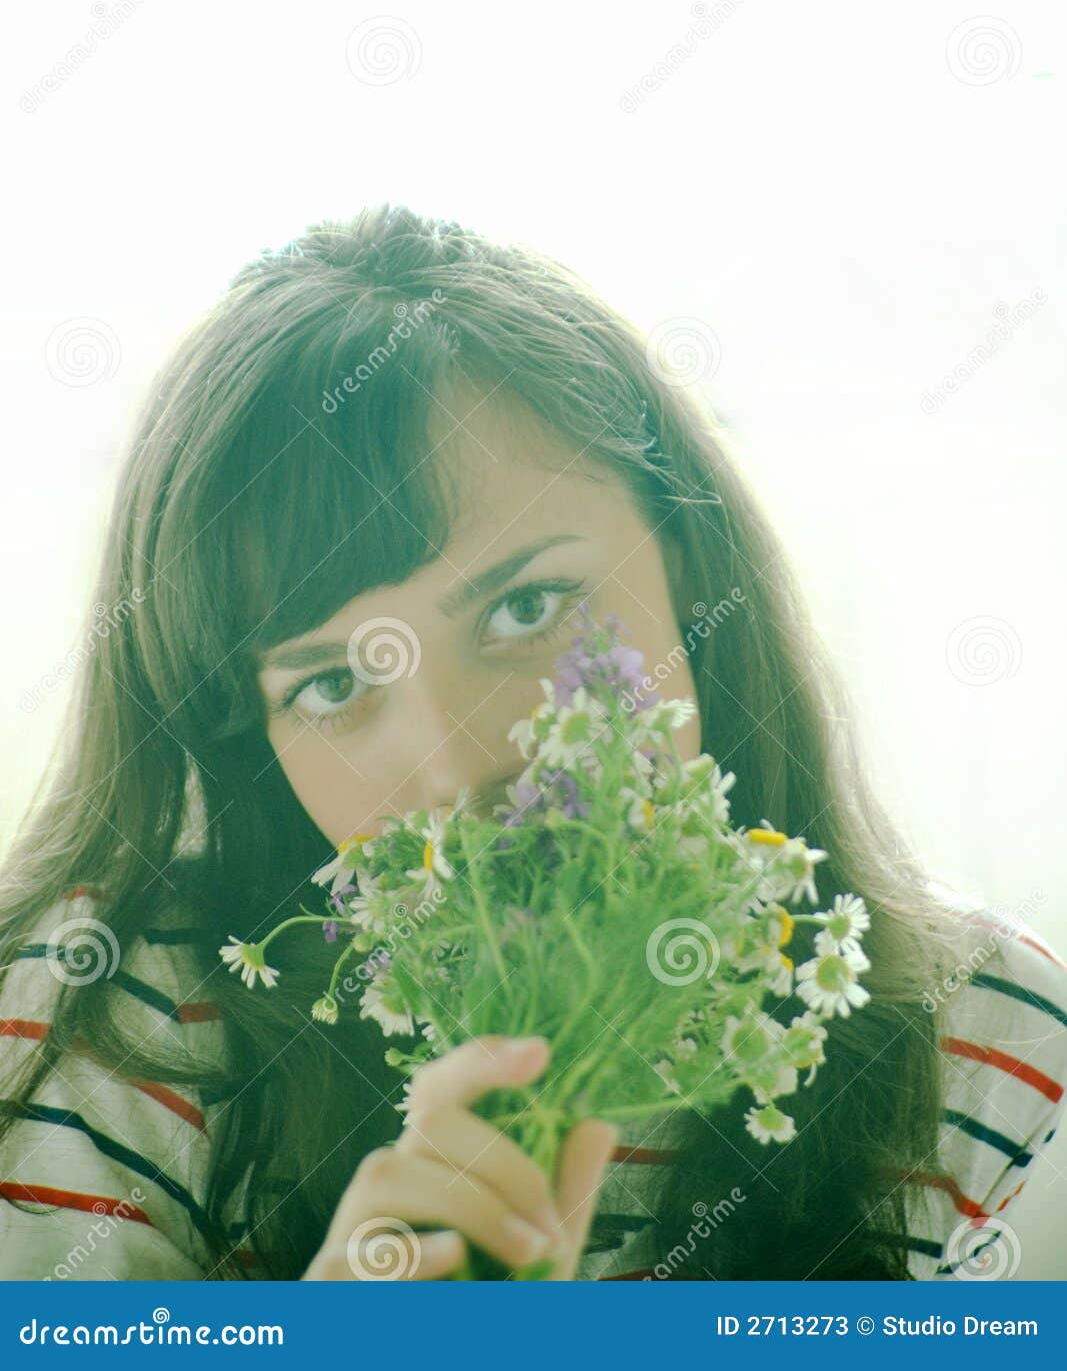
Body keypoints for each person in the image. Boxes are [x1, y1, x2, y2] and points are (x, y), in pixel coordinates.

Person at [1, 204, 1064, 1280]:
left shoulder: (995, 1044)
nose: (463, 771)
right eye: (331, 683)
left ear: (688, 560)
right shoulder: (109, 1017)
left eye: (526, 607)